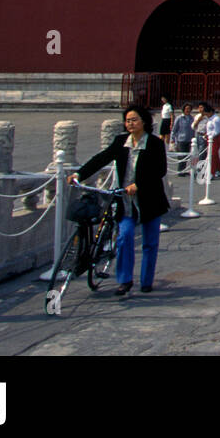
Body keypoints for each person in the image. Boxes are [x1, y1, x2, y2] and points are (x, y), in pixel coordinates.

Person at [71, 104, 169, 295]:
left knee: (150, 242)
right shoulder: (121, 142)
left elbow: (160, 170)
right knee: (124, 237)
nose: (130, 124)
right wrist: (79, 174)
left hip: (150, 200)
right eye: (127, 120)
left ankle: (146, 281)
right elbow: (101, 158)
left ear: (144, 122)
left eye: (134, 120)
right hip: (125, 201)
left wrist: (139, 184)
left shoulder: (155, 143)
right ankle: (125, 280)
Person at [201, 102, 220, 178]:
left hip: (215, 139)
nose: (206, 115)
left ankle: (211, 172)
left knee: (212, 156)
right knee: (215, 155)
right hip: (210, 139)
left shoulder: (216, 119)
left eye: (207, 113)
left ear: (210, 112)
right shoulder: (210, 119)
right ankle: (219, 170)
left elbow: (217, 131)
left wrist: (209, 135)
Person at [172, 102, 195, 174]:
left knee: (187, 156)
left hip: (189, 139)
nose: (188, 110)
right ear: (183, 109)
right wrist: (172, 139)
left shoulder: (192, 118)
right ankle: (180, 171)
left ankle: (184, 169)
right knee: (181, 156)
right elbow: (174, 129)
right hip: (181, 139)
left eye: (189, 109)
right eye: (186, 109)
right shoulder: (179, 118)